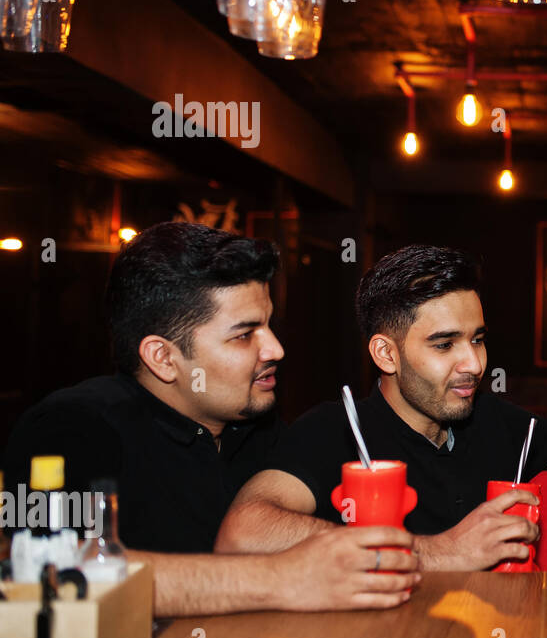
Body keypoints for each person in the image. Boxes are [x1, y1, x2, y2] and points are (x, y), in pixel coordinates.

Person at [1, 222, 417, 616]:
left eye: (269, 325)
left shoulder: (258, 429)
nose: (275, 348)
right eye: (244, 334)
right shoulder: (71, 426)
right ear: (163, 358)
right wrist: (279, 579)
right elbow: (40, 573)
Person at [217, 245, 547, 570]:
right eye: (444, 344)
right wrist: (439, 552)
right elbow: (242, 534)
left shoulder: (495, 421)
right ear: (386, 353)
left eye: (477, 340)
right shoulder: (337, 430)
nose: (473, 363)